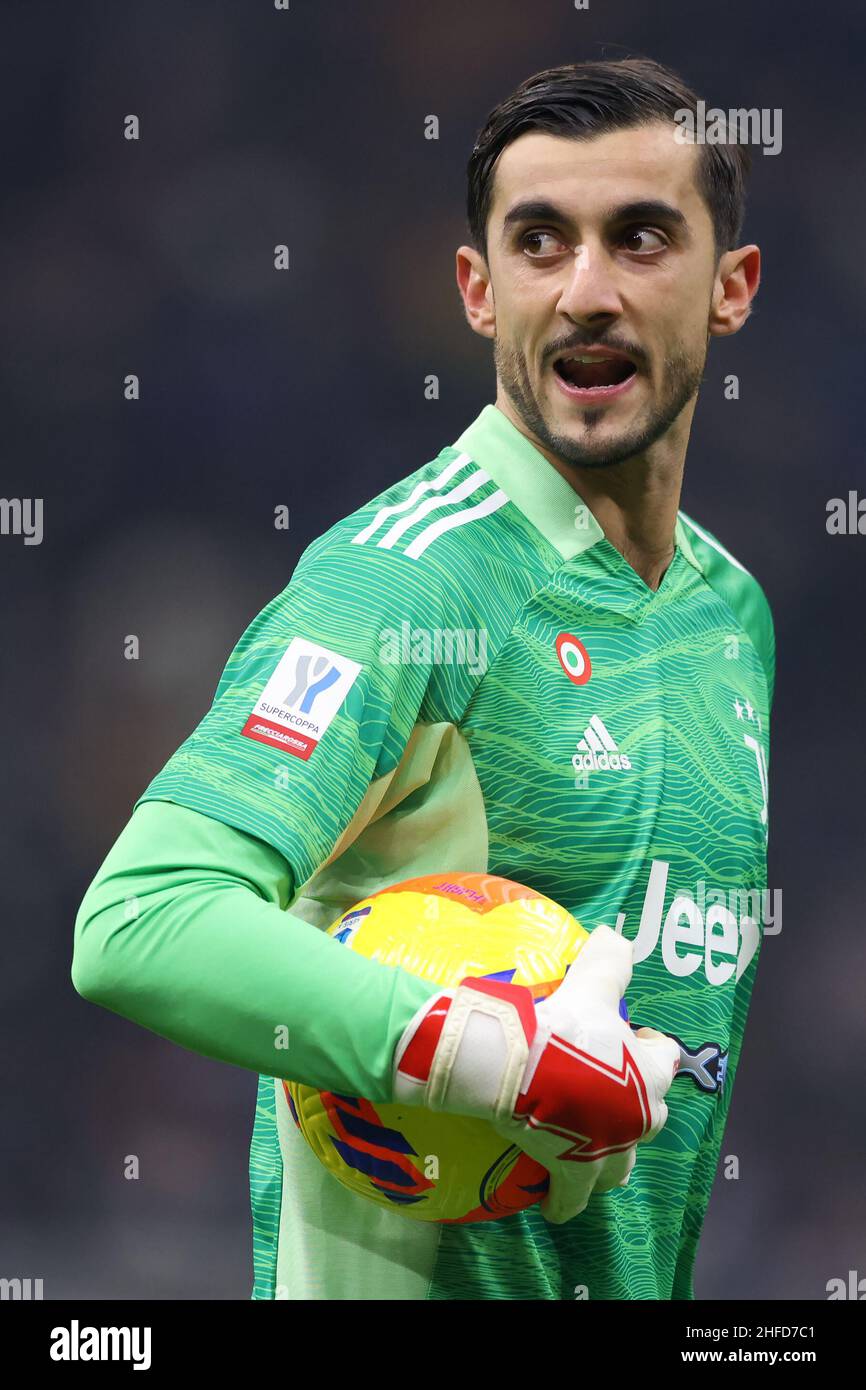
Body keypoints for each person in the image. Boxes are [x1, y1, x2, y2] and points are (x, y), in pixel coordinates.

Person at [73, 57, 773, 1301]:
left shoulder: (731, 614)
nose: (586, 292)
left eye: (641, 239)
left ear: (730, 288)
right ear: (476, 290)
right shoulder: (406, 583)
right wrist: (490, 1057)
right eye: (538, 243)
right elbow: (140, 923)